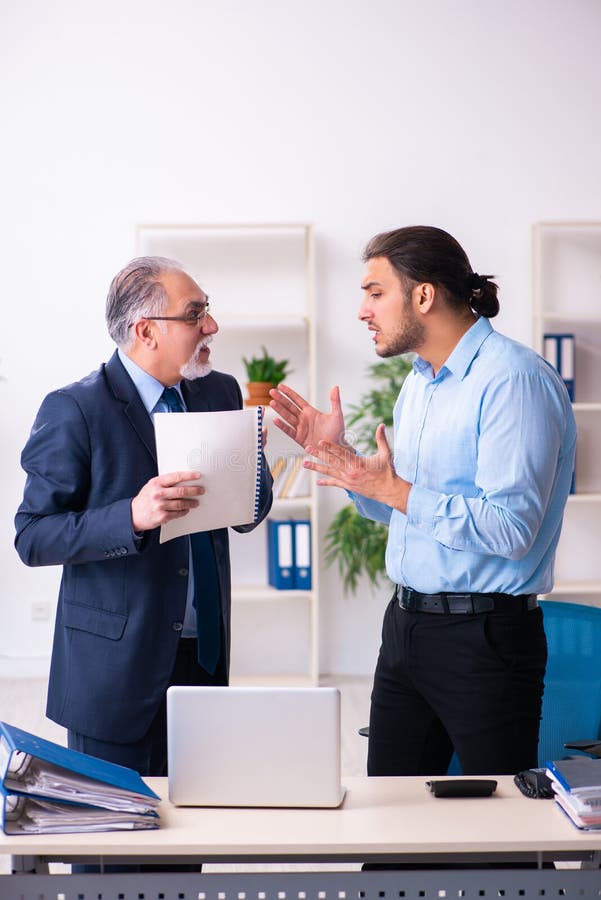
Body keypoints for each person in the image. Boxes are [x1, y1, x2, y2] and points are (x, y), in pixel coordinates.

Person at [270, 225, 577, 777]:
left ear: (424, 295)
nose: (363, 310)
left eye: (374, 292)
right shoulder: (420, 383)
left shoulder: (514, 380)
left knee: (497, 838)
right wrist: (349, 465)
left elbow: (511, 529)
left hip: (484, 639)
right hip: (406, 626)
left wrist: (395, 489)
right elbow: (408, 510)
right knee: (390, 821)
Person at [15, 256, 273, 776]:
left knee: (189, 842)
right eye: (196, 313)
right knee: (110, 849)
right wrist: (131, 516)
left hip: (204, 656)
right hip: (115, 670)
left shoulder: (218, 390)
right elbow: (33, 536)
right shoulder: (75, 408)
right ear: (146, 330)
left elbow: (248, 514)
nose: (212, 326)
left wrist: (253, 463)